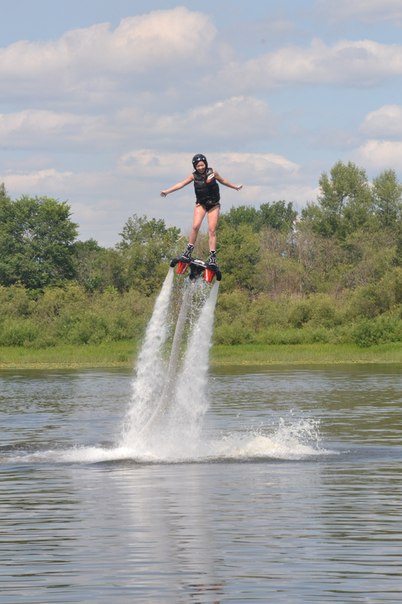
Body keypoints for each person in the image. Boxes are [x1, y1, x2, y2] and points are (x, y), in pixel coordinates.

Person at [160, 153, 242, 268]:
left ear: (206, 164)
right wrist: (167, 191)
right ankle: (188, 251)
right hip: (201, 204)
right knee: (195, 226)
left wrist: (235, 187)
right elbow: (181, 184)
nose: (200, 168)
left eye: (202, 165)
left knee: (212, 230)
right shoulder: (193, 176)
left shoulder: (212, 172)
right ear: (195, 167)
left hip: (213, 205)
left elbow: (223, 181)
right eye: (198, 166)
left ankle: (212, 257)